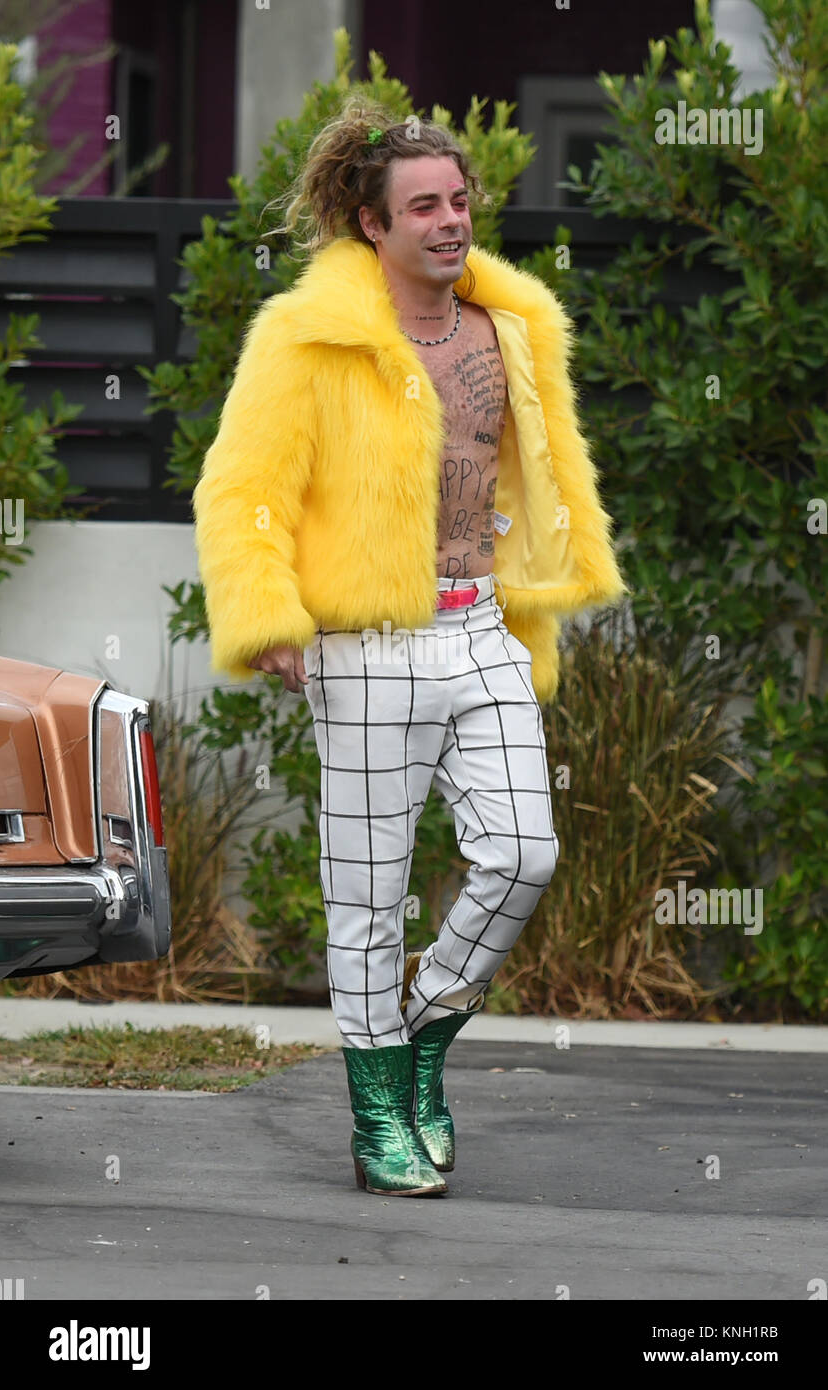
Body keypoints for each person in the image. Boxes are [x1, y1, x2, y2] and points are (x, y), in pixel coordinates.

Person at [192, 96, 629, 1198]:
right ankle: (378, 1115)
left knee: (524, 853)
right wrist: (269, 616)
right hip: (366, 640)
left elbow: (539, 478)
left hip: (481, 621)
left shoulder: (512, 330)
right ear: (369, 225)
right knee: (366, 895)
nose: (450, 221)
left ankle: (422, 1033)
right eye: (422, 206)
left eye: (460, 200)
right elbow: (242, 490)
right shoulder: (307, 338)